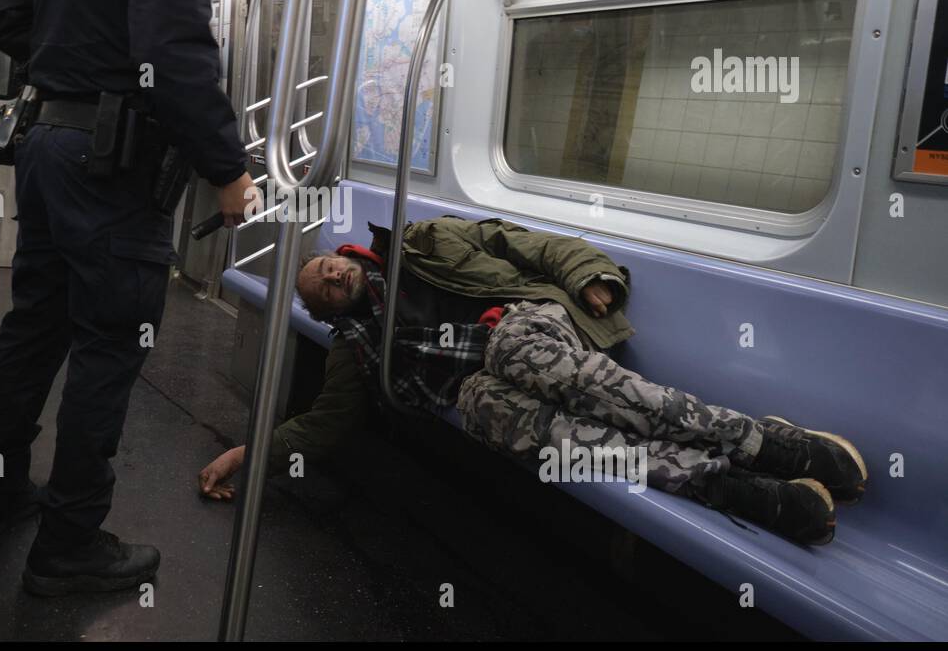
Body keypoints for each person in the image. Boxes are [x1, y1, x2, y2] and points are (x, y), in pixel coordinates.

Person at [0, 0, 256, 596]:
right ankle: (70, 543)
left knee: (33, 327)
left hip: (52, 145)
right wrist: (228, 167)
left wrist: (71, 61)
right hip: (112, 165)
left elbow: (0, 17)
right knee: (108, 347)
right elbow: (180, 47)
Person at [197, 218, 868, 546]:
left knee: (524, 358)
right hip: (473, 386)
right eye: (323, 293)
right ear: (325, 312)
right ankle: (728, 486)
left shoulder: (421, 241)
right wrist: (250, 453)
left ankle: (768, 444)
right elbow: (325, 423)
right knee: (532, 428)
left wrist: (588, 275)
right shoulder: (354, 349)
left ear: (343, 257)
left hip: (515, 324)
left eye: (329, 270)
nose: (334, 282)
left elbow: (529, 244)